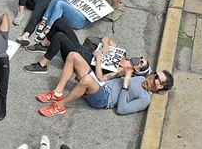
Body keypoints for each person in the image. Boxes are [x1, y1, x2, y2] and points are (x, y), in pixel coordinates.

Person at [37, 40, 172, 118]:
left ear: (159, 86)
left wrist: (125, 85)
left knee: (87, 80)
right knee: (73, 55)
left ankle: (61, 106)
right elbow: (105, 77)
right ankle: (58, 92)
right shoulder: (140, 78)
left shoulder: (145, 99)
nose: (152, 76)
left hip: (104, 98)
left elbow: (122, 110)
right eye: (155, 73)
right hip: (101, 84)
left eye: (156, 77)